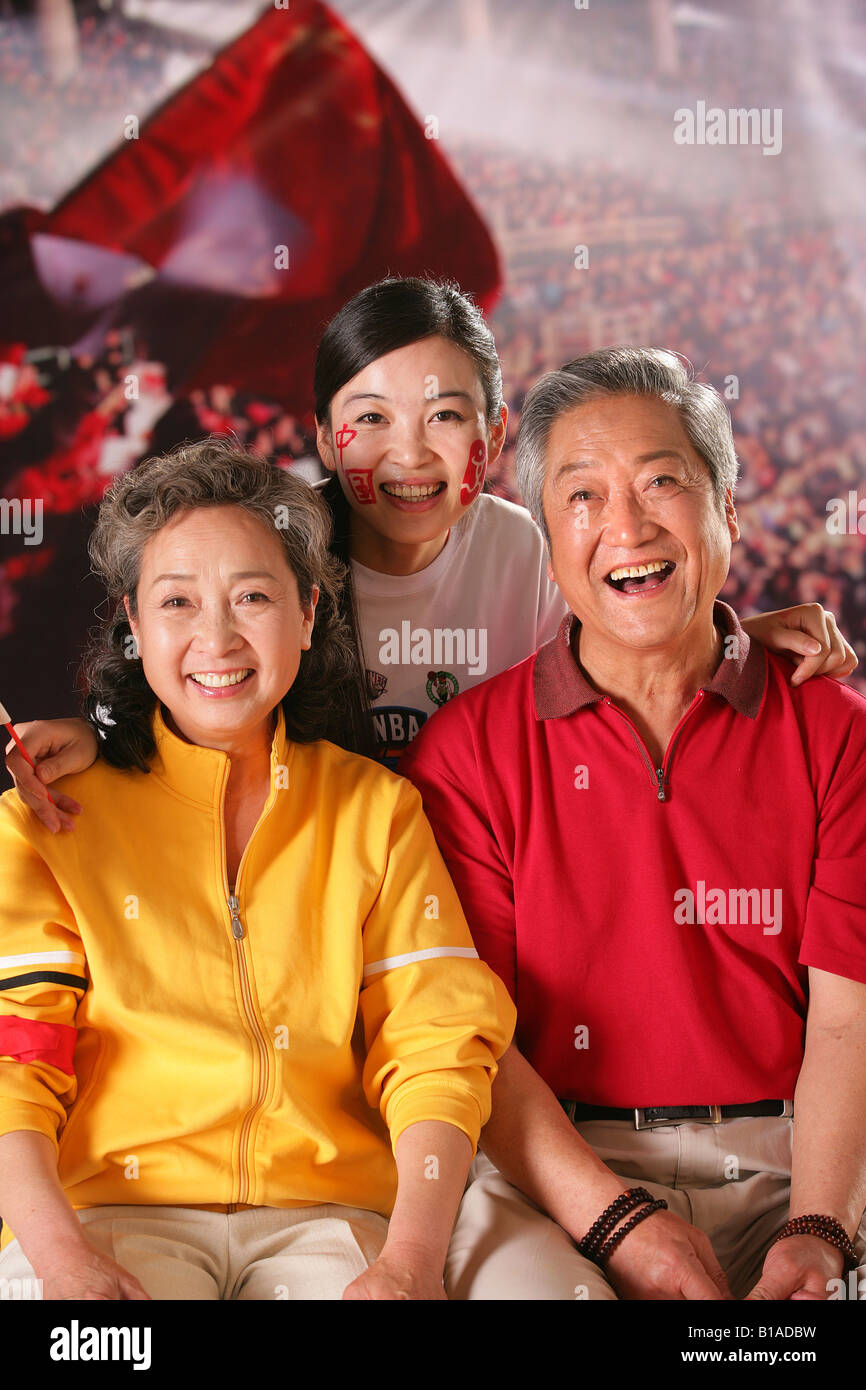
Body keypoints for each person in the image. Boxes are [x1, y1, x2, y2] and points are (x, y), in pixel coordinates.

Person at [4, 278, 857, 815]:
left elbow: (629, 635)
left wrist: (734, 629)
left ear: (492, 433)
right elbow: (190, 669)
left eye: (444, 417)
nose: (408, 456)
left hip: (493, 886)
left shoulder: (529, 551)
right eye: (370, 419)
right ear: (327, 440)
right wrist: (104, 741)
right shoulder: (272, 548)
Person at [400, 347, 866, 1300]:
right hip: (558, 1173)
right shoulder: (468, 751)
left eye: (663, 483)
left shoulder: (836, 733)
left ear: (727, 513)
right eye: (583, 497)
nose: (626, 527)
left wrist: (820, 1229)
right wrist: (618, 1224)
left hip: (800, 1151)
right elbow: (475, 1041)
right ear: (545, 537)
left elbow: (850, 1023)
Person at [0, 439, 515, 1301]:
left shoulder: (376, 811)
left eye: (253, 596)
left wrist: (407, 1268)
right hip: (106, 1219)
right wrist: (64, 1266)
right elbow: (16, 1062)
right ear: (133, 623)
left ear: (310, 613)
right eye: (176, 601)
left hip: (332, 1220)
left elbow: (436, 1051)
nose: (216, 637)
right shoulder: (44, 817)